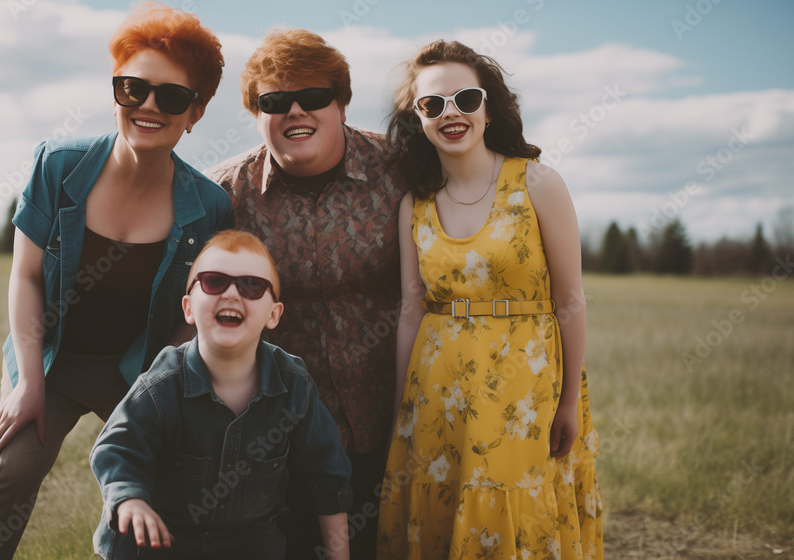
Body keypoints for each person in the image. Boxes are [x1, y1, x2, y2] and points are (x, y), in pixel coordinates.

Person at [0, 6, 232, 559]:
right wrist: (27, 381)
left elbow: (186, 318)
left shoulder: (209, 206)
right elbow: (25, 275)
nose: (148, 105)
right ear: (116, 91)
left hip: (137, 369)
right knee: (12, 476)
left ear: (194, 112)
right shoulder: (58, 166)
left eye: (170, 97)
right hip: (48, 360)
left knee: (162, 487)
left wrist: (159, 397)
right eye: (133, 88)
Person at [377, 40, 603, 559]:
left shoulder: (539, 183)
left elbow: (570, 300)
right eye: (432, 105)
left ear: (489, 106)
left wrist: (568, 401)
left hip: (526, 392)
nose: (450, 113)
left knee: (515, 514)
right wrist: (400, 409)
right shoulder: (415, 201)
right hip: (437, 396)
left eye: (465, 98)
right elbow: (412, 310)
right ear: (418, 118)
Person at [206, 28, 407, 559]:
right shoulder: (222, 196)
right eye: (275, 101)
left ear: (340, 103)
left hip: (396, 411)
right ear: (256, 113)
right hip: (279, 429)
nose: (296, 112)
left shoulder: (405, 171)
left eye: (313, 97)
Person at [90, 230, 352, 560]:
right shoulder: (164, 382)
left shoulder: (293, 385)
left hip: (248, 543)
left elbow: (328, 474)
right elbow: (117, 448)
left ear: (274, 314)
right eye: (214, 281)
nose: (231, 293)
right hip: (161, 541)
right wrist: (130, 499)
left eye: (252, 285)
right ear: (188, 307)